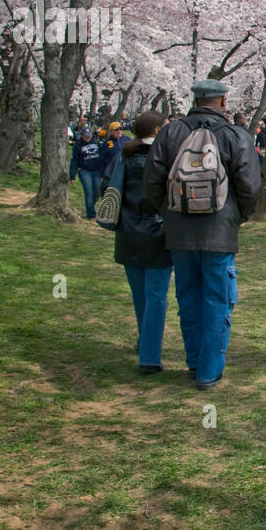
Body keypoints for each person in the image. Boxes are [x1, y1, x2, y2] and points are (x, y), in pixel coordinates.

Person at [144, 79, 262, 390]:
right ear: (222, 101)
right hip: (219, 231)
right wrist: (237, 216)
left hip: (179, 231)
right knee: (218, 299)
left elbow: (152, 180)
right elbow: (250, 186)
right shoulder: (236, 135)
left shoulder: (170, 132)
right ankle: (209, 371)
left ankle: (194, 362)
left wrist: (169, 211)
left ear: (195, 99)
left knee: (189, 297)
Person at [102, 111, 174, 373]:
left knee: (140, 294)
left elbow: (106, 188)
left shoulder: (123, 156)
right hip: (158, 232)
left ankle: (145, 340)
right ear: (156, 131)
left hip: (127, 232)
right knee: (157, 296)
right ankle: (150, 356)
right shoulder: (165, 158)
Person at [69, 126, 105, 218]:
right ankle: (91, 214)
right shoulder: (78, 145)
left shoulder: (96, 142)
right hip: (84, 171)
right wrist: (72, 175)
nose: (88, 138)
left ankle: (90, 205)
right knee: (89, 192)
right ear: (82, 135)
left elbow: (102, 156)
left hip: (97, 170)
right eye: (86, 136)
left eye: (89, 136)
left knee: (98, 191)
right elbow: (74, 160)